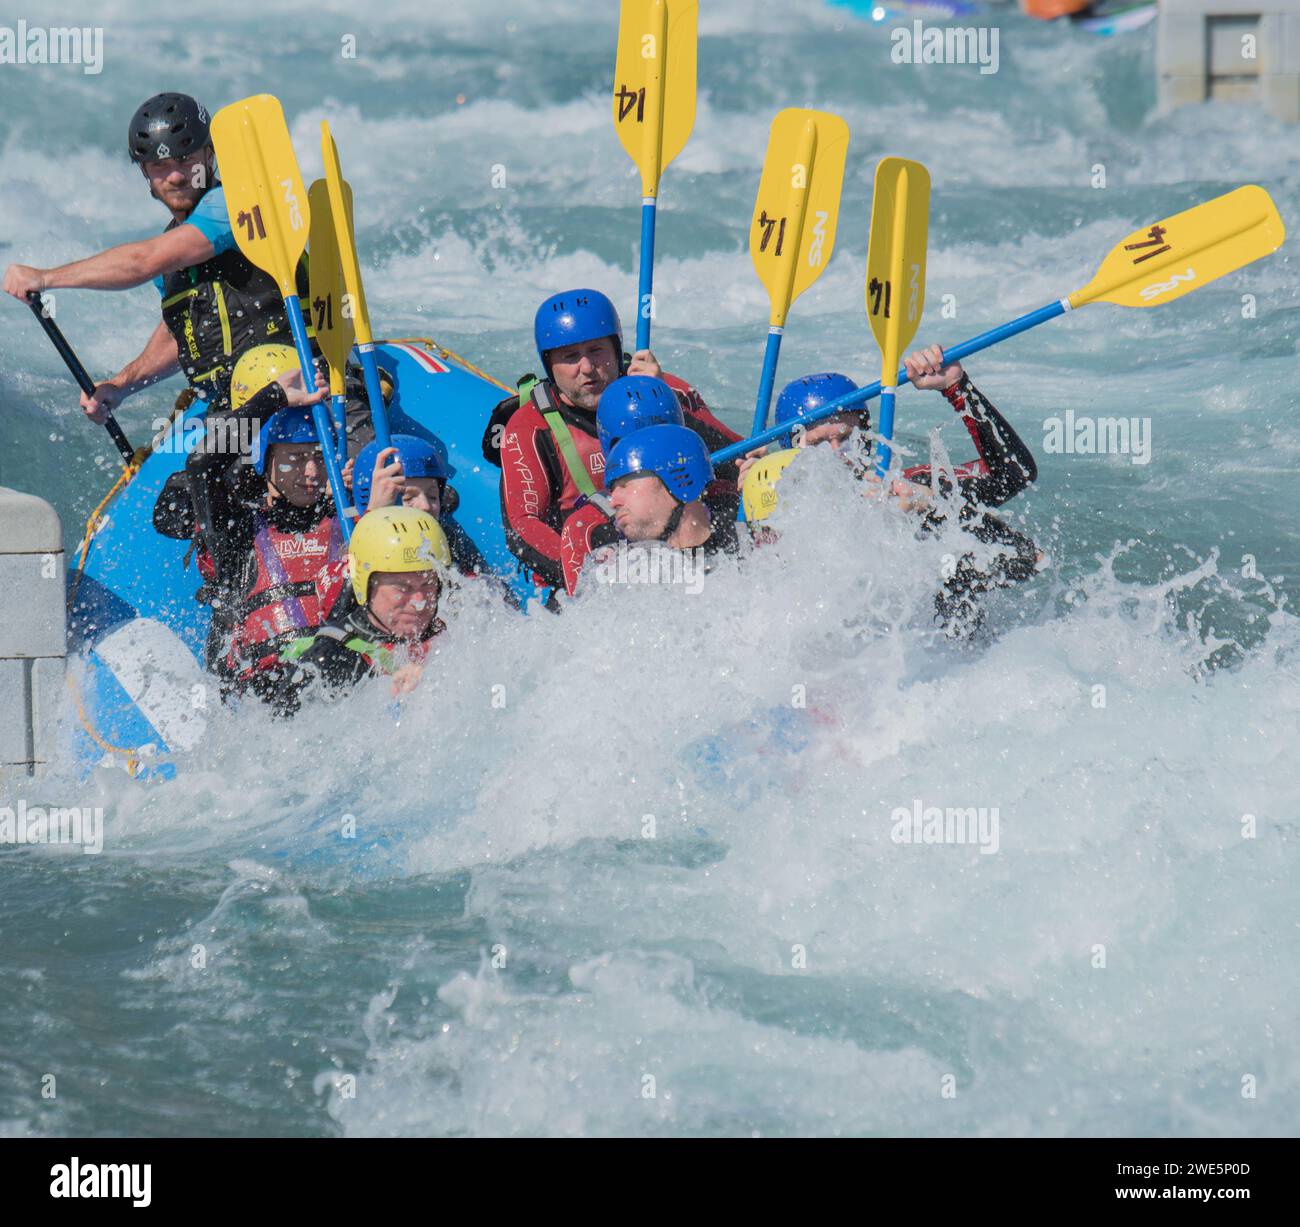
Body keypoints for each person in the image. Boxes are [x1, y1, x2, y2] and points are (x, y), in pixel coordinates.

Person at [3, 93, 313, 425]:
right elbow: (180, 332)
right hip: (235, 409)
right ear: (145, 174)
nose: (176, 176)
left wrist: (46, 278)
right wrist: (121, 385)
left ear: (210, 156)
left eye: (186, 160)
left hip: (299, 389)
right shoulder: (170, 252)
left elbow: (143, 261)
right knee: (187, 478)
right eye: (160, 167)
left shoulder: (236, 205)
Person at [743, 346, 1043, 637]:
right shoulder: (764, 503)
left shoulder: (905, 488)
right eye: (819, 443)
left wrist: (956, 387)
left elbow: (1016, 479)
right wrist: (748, 504)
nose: (837, 455)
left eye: (847, 439)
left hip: (936, 665)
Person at [481, 289, 744, 597]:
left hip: (687, 549)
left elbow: (741, 460)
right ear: (549, 363)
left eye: (597, 351)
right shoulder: (530, 427)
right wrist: (595, 577)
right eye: (569, 357)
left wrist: (673, 409)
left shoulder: (662, 388)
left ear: (617, 348)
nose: (588, 368)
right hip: (591, 566)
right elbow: (522, 529)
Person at [154, 385, 347, 696]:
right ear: (265, 462)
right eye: (296, 457)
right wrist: (276, 397)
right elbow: (201, 465)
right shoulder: (239, 532)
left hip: (339, 689)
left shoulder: (348, 522)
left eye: (320, 457)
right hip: (264, 696)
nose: (311, 471)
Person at [273, 506, 451, 713]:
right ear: (366, 586)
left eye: (428, 584)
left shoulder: (456, 634)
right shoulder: (329, 661)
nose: (419, 601)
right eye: (403, 588)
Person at [561, 423, 739, 596]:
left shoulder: (748, 541)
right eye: (612, 490)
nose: (612, 502)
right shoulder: (617, 571)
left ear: (681, 482)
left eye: (624, 485)